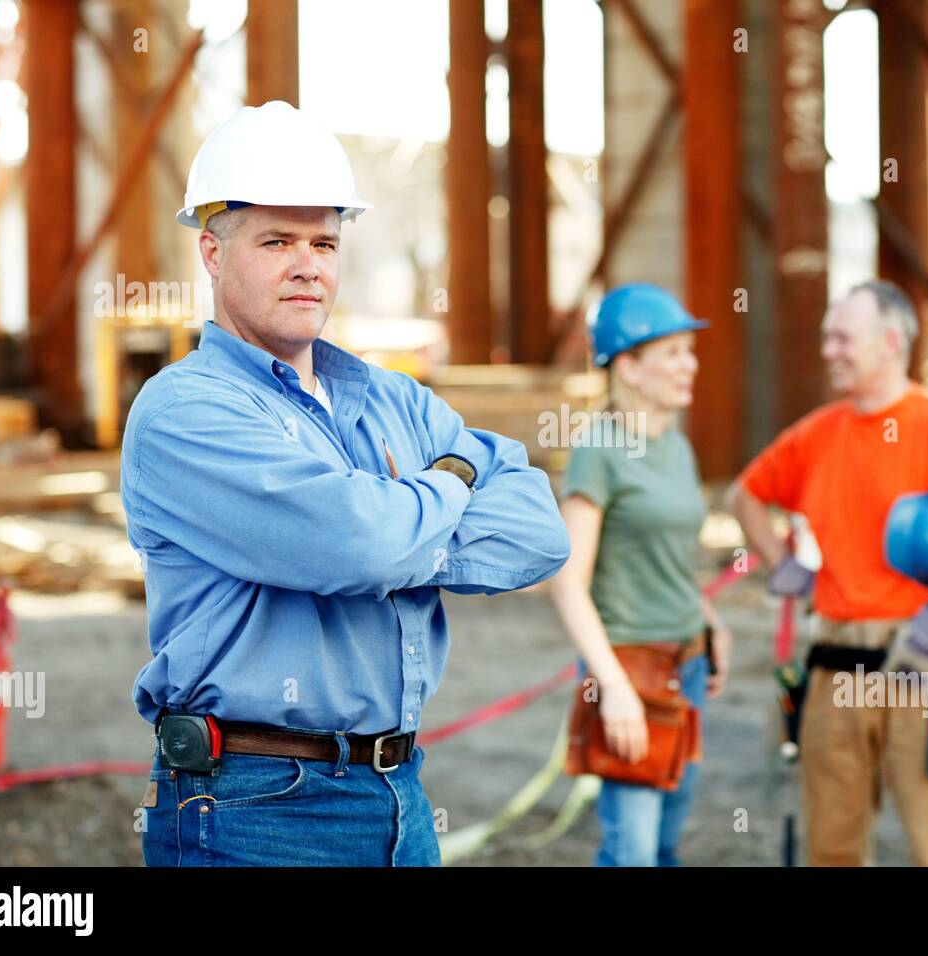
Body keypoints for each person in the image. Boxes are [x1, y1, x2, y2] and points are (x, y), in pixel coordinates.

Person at [123, 101, 570, 866]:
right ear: (211, 253)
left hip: (399, 793)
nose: (308, 264)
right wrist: (443, 492)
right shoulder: (184, 411)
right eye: (277, 241)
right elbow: (358, 544)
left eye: (324, 242)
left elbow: (538, 531)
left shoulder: (390, 396)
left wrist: (402, 534)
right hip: (253, 807)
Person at [731, 279, 928, 866]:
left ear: (892, 341)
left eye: (843, 338)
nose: (827, 351)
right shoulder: (817, 434)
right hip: (833, 663)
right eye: (825, 338)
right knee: (832, 850)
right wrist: (782, 565)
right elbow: (745, 495)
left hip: (914, 662)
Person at [550, 283, 732, 867]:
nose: (691, 364)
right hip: (632, 670)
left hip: (689, 666)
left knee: (666, 843)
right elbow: (568, 582)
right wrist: (615, 690)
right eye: (673, 352)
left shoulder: (676, 444)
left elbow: (668, 556)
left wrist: (709, 620)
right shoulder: (598, 451)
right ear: (627, 365)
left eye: (690, 350)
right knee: (632, 852)